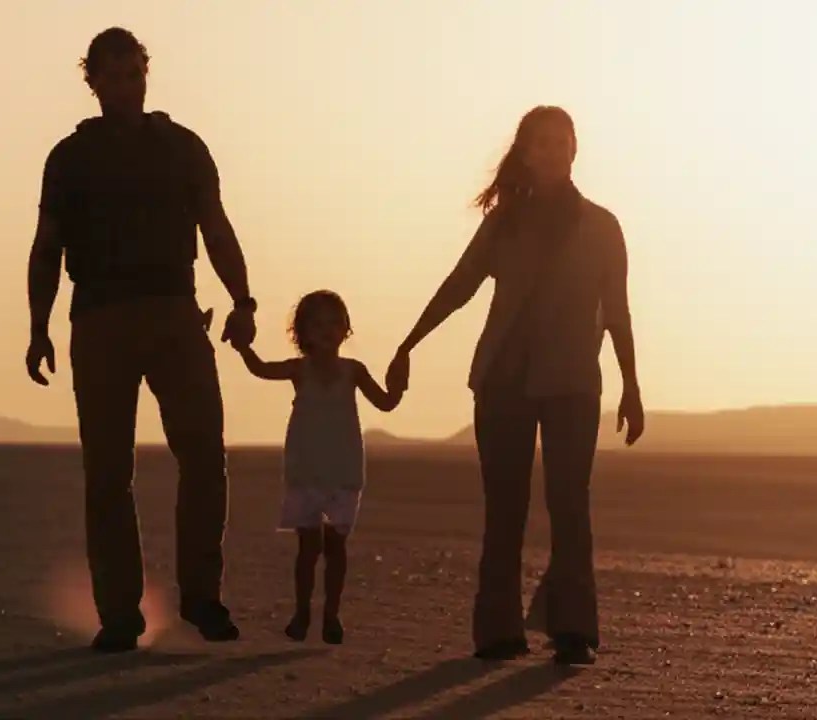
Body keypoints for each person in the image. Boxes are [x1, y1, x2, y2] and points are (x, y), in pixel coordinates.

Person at [24, 27, 258, 652]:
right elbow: (46, 248)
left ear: (146, 75)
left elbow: (216, 227)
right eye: (113, 75)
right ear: (92, 81)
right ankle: (120, 613)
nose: (126, 87)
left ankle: (203, 597)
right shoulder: (70, 159)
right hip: (99, 318)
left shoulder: (182, 148)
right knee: (107, 472)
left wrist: (242, 299)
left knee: (205, 454)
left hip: (176, 311)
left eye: (135, 74)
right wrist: (37, 325)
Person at [386, 106, 645, 666]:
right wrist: (410, 343)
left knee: (570, 504)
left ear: (575, 149)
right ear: (526, 153)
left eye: (560, 141)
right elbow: (460, 283)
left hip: (574, 381)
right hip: (504, 378)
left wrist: (632, 385)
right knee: (505, 506)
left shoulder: (602, 226)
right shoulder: (504, 222)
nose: (551, 151)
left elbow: (618, 311)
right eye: (540, 143)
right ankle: (498, 632)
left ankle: (573, 630)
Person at [231, 290, 403, 645]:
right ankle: (303, 612)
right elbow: (261, 369)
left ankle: (331, 615)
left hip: (343, 468)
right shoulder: (300, 369)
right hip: (306, 466)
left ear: (345, 330)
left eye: (334, 323)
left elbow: (385, 402)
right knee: (308, 547)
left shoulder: (353, 371)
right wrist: (242, 346)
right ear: (302, 332)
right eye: (317, 324)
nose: (326, 331)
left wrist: (399, 384)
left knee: (336, 545)